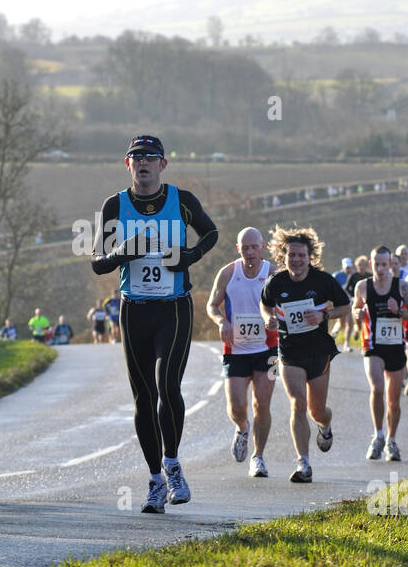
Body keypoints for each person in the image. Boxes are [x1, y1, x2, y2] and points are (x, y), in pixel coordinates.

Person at [91, 134, 218, 512]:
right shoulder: (115, 205)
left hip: (174, 309)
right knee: (143, 397)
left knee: (167, 386)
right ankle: (154, 480)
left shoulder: (182, 201)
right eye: (136, 157)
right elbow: (97, 261)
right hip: (134, 311)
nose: (143, 163)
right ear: (127, 164)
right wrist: (122, 252)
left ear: (163, 164)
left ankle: (173, 464)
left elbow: (211, 233)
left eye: (150, 157)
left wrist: (189, 256)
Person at [259, 226, 351, 483]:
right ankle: (304, 463)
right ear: (284, 256)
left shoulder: (323, 281)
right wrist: (268, 319)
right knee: (297, 404)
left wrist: (324, 315)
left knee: (317, 410)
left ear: (310, 257)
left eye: (301, 255)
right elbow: (265, 304)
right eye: (292, 255)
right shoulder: (276, 282)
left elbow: (345, 306)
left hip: (319, 350)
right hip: (290, 351)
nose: (296, 260)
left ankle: (325, 426)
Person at [206, 226, 278, 478]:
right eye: (245, 248)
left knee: (262, 404)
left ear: (262, 247)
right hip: (235, 349)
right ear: (238, 249)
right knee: (236, 406)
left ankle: (258, 457)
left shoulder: (274, 273)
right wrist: (221, 322)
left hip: (268, 349)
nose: (249, 252)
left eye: (254, 247)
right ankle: (242, 427)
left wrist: (277, 318)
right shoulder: (228, 273)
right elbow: (212, 305)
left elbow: (287, 303)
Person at [353, 245, 408, 461]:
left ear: (391, 265)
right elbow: (355, 311)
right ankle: (378, 436)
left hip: (395, 346)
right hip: (372, 345)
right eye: (377, 264)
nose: (381, 269)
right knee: (377, 389)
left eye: (385, 264)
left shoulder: (402, 286)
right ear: (371, 264)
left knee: (393, 401)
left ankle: (391, 441)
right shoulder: (362, 286)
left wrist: (399, 311)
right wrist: (358, 314)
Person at [344, 256, 372, 347]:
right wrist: (352, 296)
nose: (361, 267)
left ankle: (366, 340)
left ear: (366, 265)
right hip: (355, 299)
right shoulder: (353, 276)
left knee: (367, 320)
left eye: (363, 264)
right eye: (359, 265)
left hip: (366, 300)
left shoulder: (369, 275)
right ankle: (356, 327)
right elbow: (346, 288)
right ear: (356, 266)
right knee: (353, 315)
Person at [331, 257, 358, 352]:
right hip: (340, 302)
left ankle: (346, 344)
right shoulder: (337, 276)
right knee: (341, 323)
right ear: (343, 267)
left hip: (351, 302)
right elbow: (331, 289)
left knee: (350, 323)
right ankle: (334, 333)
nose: (348, 269)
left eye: (349, 267)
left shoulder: (354, 276)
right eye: (347, 268)